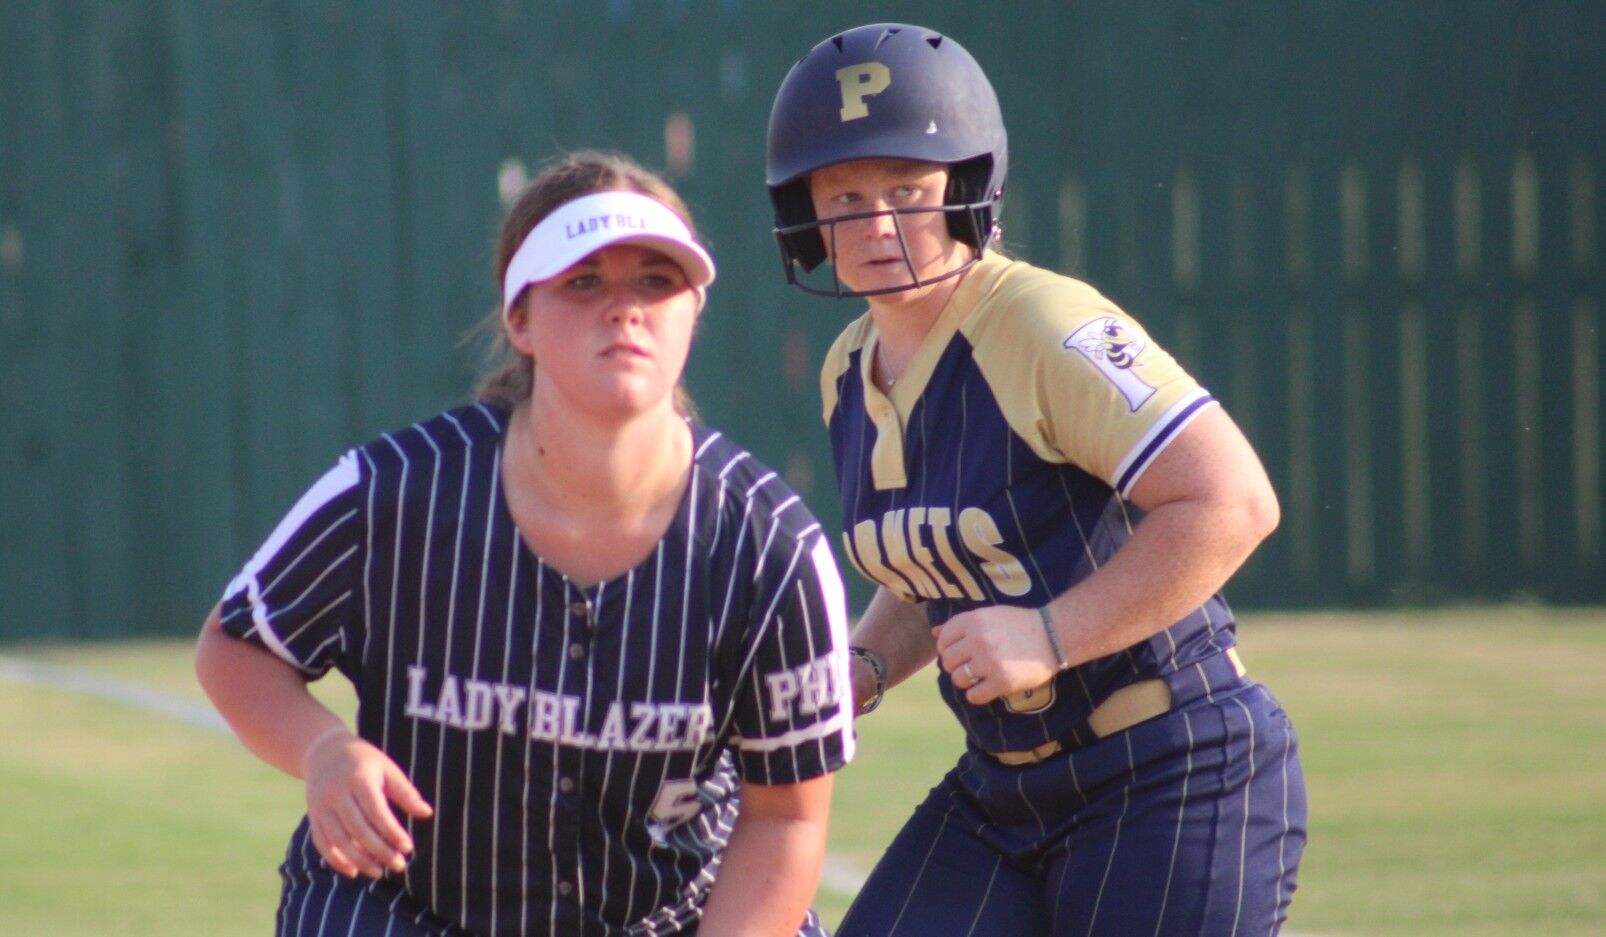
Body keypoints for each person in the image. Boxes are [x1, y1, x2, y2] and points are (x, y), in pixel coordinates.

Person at [196, 150, 854, 937]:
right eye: (584, 281)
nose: (624, 308)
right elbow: (236, 647)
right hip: (414, 903)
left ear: (694, 310)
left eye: (656, 280)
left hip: (670, 919)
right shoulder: (392, 492)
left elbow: (787, 816)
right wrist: (323, 749)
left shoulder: (771, 548)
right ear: (519, 317)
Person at [763, 24, 1307, 937]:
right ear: (806, 212)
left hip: (1172, 764)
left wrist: (1051, 634)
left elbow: (1234, 501)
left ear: (968, 189)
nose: (878, 224)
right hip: (1006, 785)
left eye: (908, 189)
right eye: (846, 196)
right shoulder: (848, 367)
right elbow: (942, 564)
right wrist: (863, 666)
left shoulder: (1040, 322)